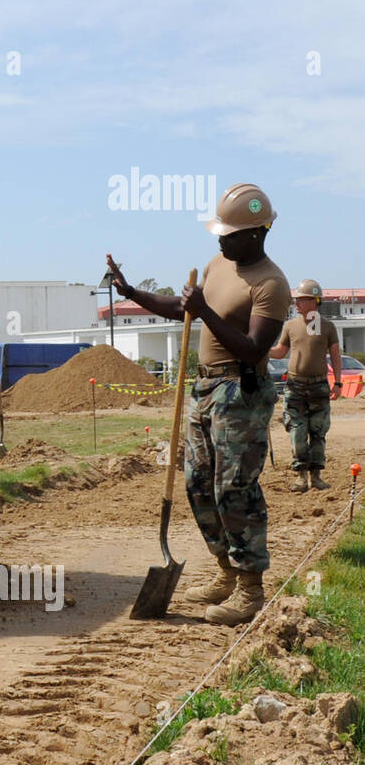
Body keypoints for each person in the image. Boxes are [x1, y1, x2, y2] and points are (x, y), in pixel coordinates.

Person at [108, 183, 291, 626]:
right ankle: (225, 572)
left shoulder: (272, 284)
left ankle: (250, 589)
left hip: (240, 394)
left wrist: (205, 311)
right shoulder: (217, 263)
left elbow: (252, 348)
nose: (220, 239)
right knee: (197, 483)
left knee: (234, 489)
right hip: (205, 390)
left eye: (228, 232)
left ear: (256, 232)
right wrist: (132, 292)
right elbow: (183, 308)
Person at [269, 278, 341, 492]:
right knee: (297, 431)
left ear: (315, 301)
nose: (296, 303)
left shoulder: (327, 327)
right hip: (295, 387)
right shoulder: (290, 326)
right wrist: (260, 349)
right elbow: (280, 352)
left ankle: (316, 476)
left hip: (319, 386)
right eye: (295, 300)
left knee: (318, 432)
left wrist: (337, 382)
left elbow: (336, 356)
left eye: (301, 300)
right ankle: (301, 477)